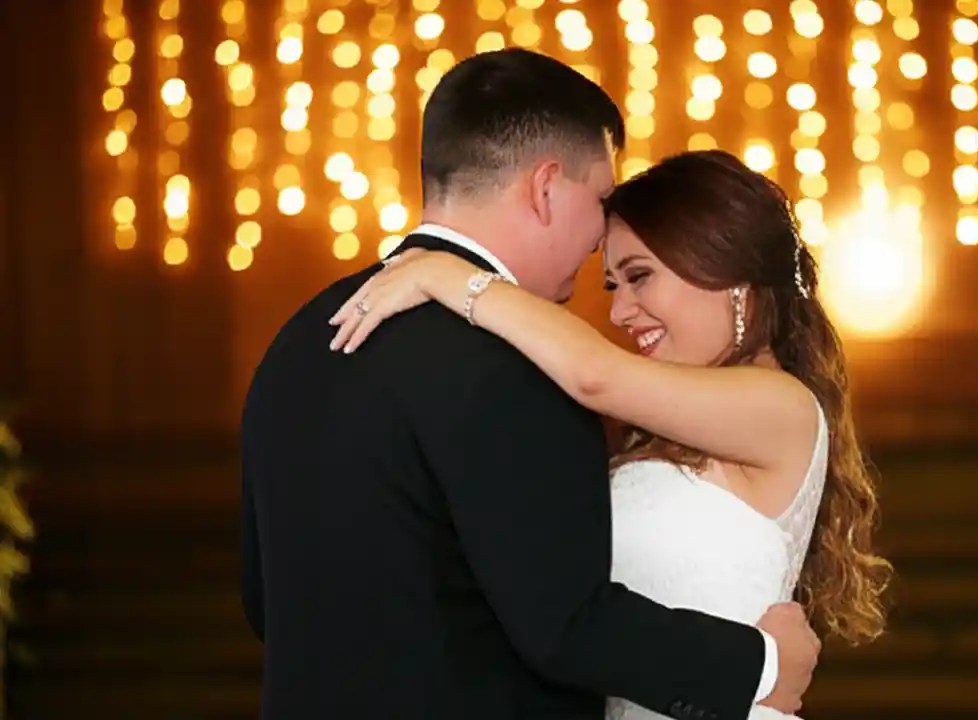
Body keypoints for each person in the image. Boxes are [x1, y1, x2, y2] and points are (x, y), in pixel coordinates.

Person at [241, 48, 821, 720]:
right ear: (547, 188)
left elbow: (265, 599)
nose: (600, 234)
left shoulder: (301, 341)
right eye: (602, 199)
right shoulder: (519, 360)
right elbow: (562, 624)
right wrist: (761, 663)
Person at [329, 148, 893, 720]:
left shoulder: (783, 408)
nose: (621, 311)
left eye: (639, 277)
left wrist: (453, 277)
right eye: (613, 285)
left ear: (731, 275)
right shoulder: (651, 432)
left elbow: (594, 375)